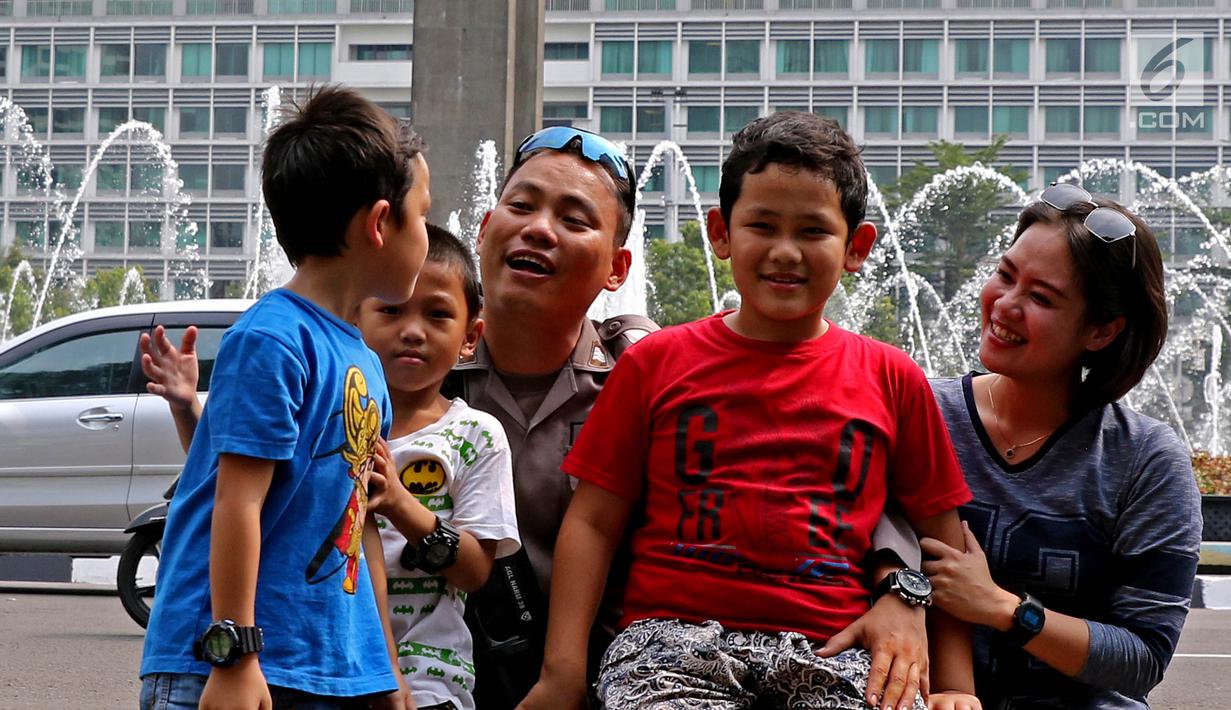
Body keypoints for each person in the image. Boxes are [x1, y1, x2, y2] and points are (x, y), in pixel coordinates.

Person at [520, 111, 981, 710]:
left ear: (856, 247)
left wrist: (955, 689)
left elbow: (941, 539)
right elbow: (593, 523)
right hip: (671, 648)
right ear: (721, 234)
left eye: (813, 231)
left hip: (833, 651)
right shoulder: (656, 364)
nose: (785, 252)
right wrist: (563, 672)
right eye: (762, 225)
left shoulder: (893, 379)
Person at [137, 86, 430, 710]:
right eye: (423, 216)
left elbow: (359, 521)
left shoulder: (360, 359)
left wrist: (384, 672)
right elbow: (236, 502)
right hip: (227, 665)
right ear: (380, 223)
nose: (429, 236)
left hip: (323, 666)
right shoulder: (273, 339)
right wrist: (236, 654)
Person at [919, 184, 1202, 709]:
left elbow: (1143, 660)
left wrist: (1003, 608)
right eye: (1005, 275)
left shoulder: (1145, 460)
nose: (1005, 304)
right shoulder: (924, 414)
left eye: (1041, 297)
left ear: (1100, 331)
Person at [362, 225, 521, 710]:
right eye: (391, 309)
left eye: (436, 314)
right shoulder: (332, 422)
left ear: (470, 336)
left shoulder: (476, 435)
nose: (412, 329)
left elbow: (475, 570)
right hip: (328, 669)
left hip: (430, 679)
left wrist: (400, 504)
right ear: (354, 316)